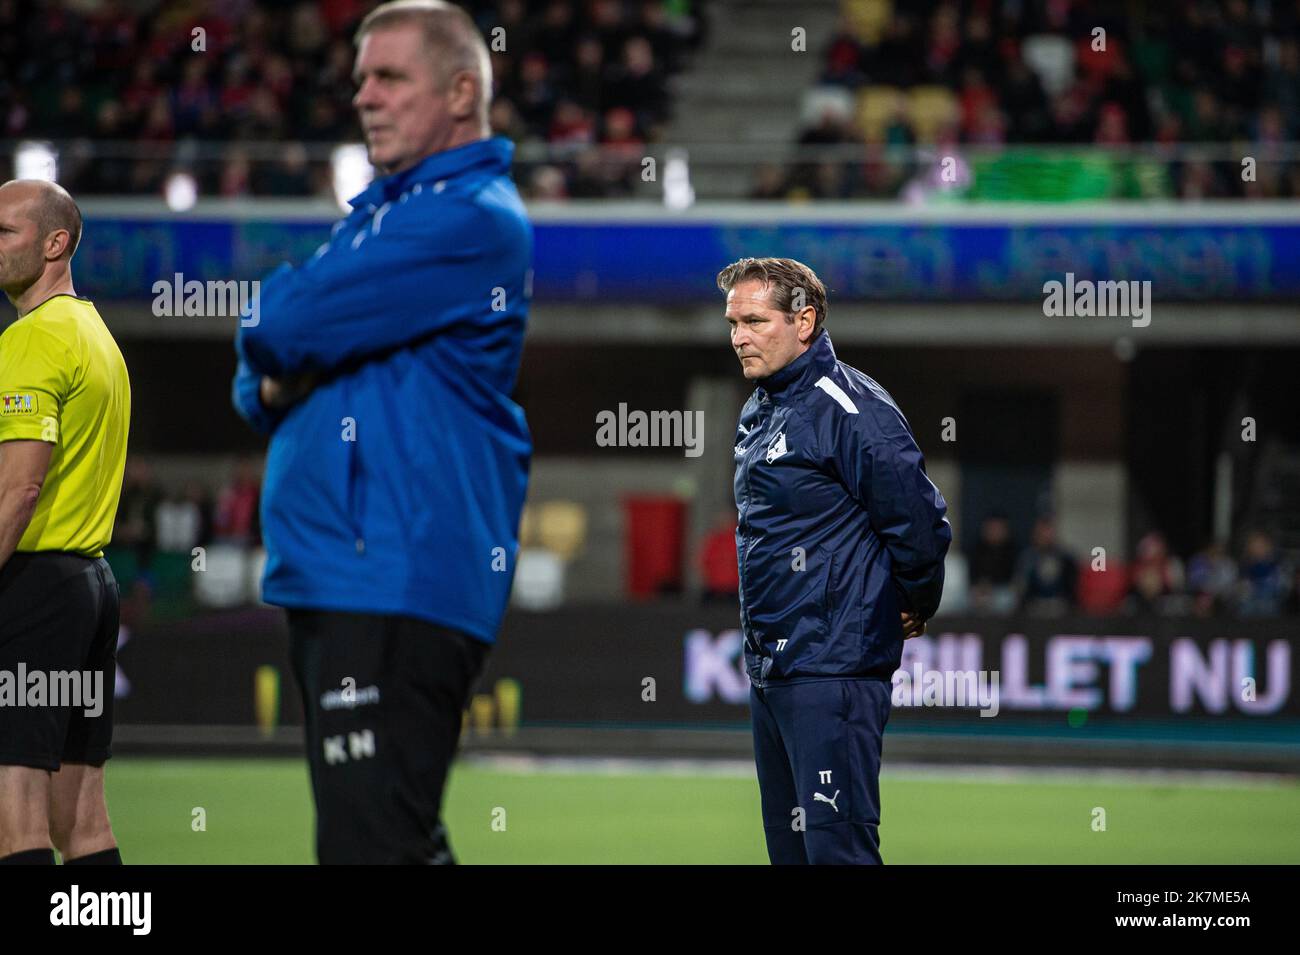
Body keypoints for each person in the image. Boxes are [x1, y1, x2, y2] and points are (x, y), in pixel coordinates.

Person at [231, 0, 533, 864]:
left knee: (375, 845)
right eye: (361, 78)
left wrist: (288, 343)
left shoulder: (468, 215)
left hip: (395, 572)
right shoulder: (381, 215)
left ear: (462, 91)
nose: (364, 96)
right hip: (348, 570)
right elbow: (255, 383)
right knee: (380, 842)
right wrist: (283, 352)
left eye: (391, 77)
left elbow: (280, 322)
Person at [721, 256, 951, 865]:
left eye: (754, 321)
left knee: (838, 854)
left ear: (804, 321)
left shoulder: (851, 408)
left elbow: (919, 522)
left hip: (832, 669)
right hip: (773, 670)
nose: (739, 337)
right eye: (733, 323)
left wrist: (911, 602)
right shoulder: (760, 409)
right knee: (792, 856)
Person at [0, 179, 131, 865]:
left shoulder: (34, 339)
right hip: (91, 585)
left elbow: (20, 490)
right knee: (79, 818)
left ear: (55, 243)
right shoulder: (97, 335)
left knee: (14, 816)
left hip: (33, 586)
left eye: (5, 232)